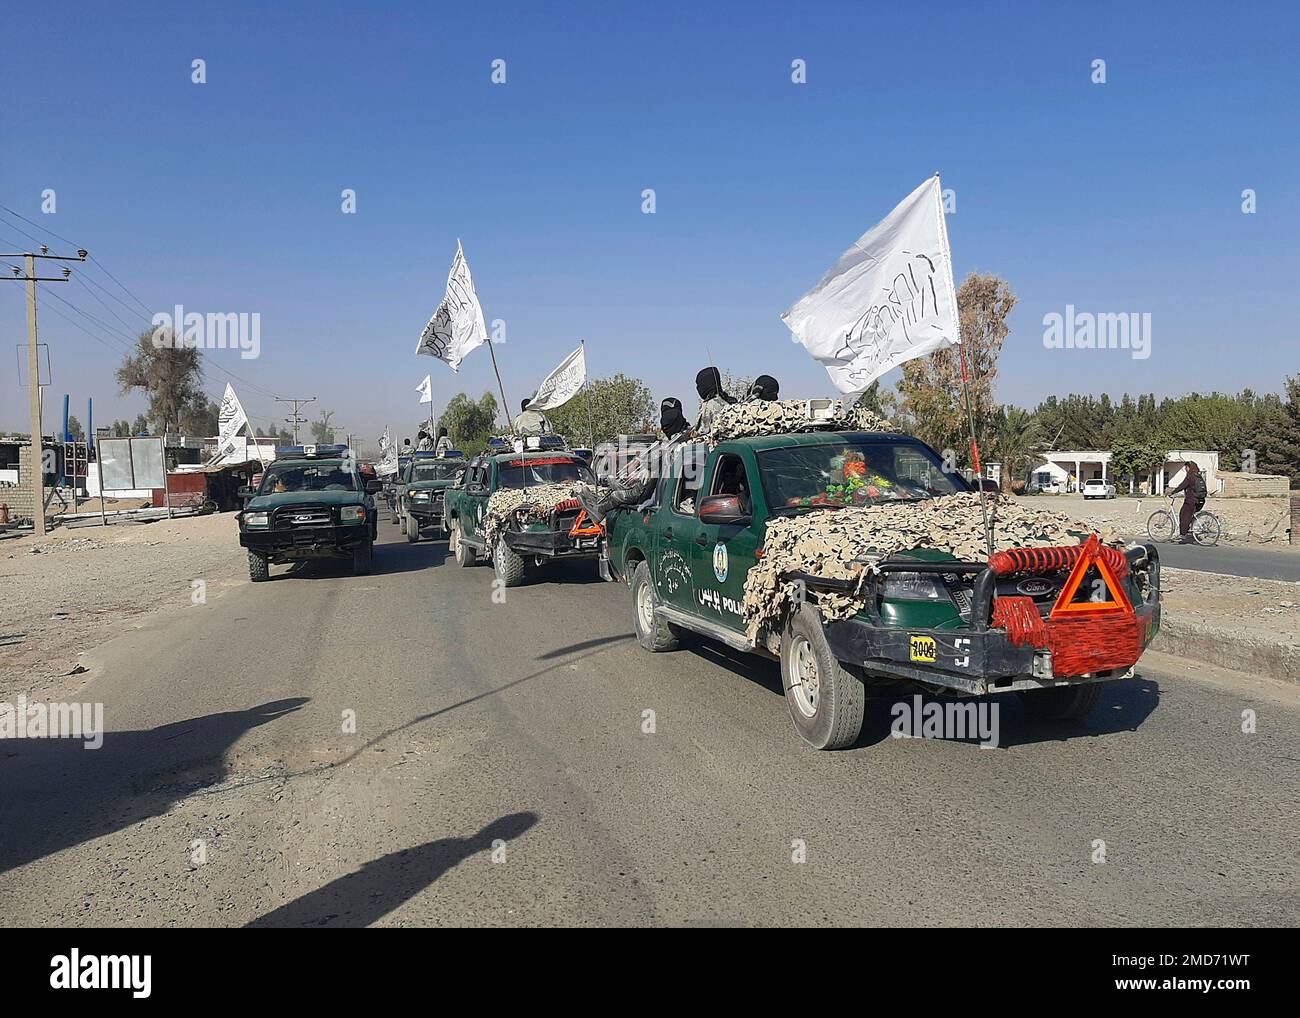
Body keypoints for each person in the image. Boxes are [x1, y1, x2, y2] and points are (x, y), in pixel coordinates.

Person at [1168, 461, 1207, 542]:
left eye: (1186, 467)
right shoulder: (1198, 475)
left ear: (1189, 468)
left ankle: (1182, 534)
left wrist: (1173, 492)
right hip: (1200, 500)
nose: (1185, 469)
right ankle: (1188, 529)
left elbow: (1183, 485)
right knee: (1189, 516)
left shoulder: (1190, 476)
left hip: (1191, 500)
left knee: (1183, 515)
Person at [694, 366, 735, 432]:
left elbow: (703, 432)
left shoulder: (709, 405)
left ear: (705, 384)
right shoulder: (728, 400)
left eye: (699, 385)